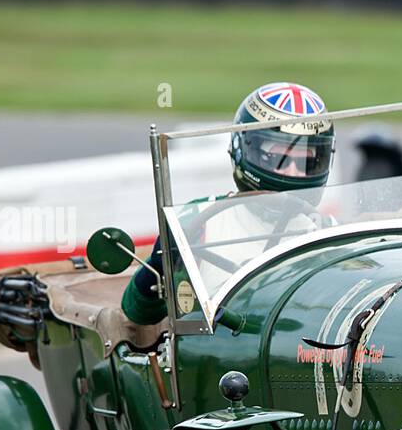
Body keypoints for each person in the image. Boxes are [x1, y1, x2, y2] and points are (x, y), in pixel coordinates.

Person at [122, 81, 335, 325]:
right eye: (279, 159)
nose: (294, 172)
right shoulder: (197, 224)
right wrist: (161, 263)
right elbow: (136, 314)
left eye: (306, 162)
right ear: (242, 150)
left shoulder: (327, 230)